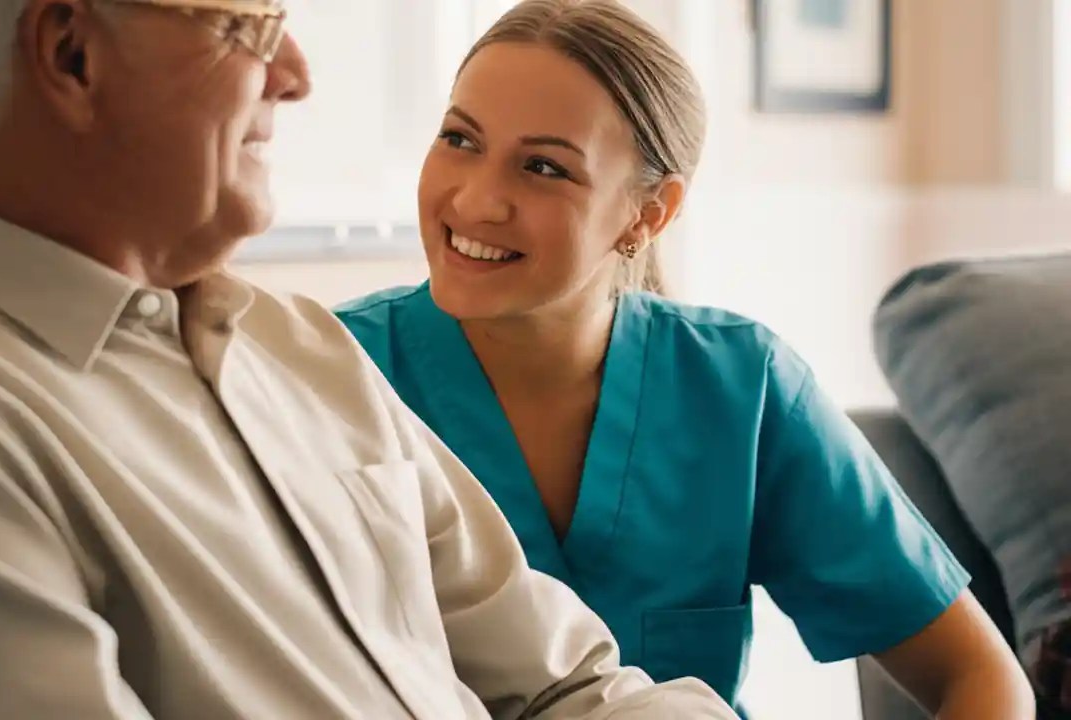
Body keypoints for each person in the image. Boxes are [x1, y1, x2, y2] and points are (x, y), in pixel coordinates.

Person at [0, 1, 740, 718]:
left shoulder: (304, 348)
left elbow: (570, 689)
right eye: (245, 27)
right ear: (71, 55)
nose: (293, 74)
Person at [336, 0, 1035, 716]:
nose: (479, 199)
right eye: (459, 138)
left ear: (650, 212)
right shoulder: (328, 376)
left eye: (543, 167)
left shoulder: (739, 387)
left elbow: (977, 675)